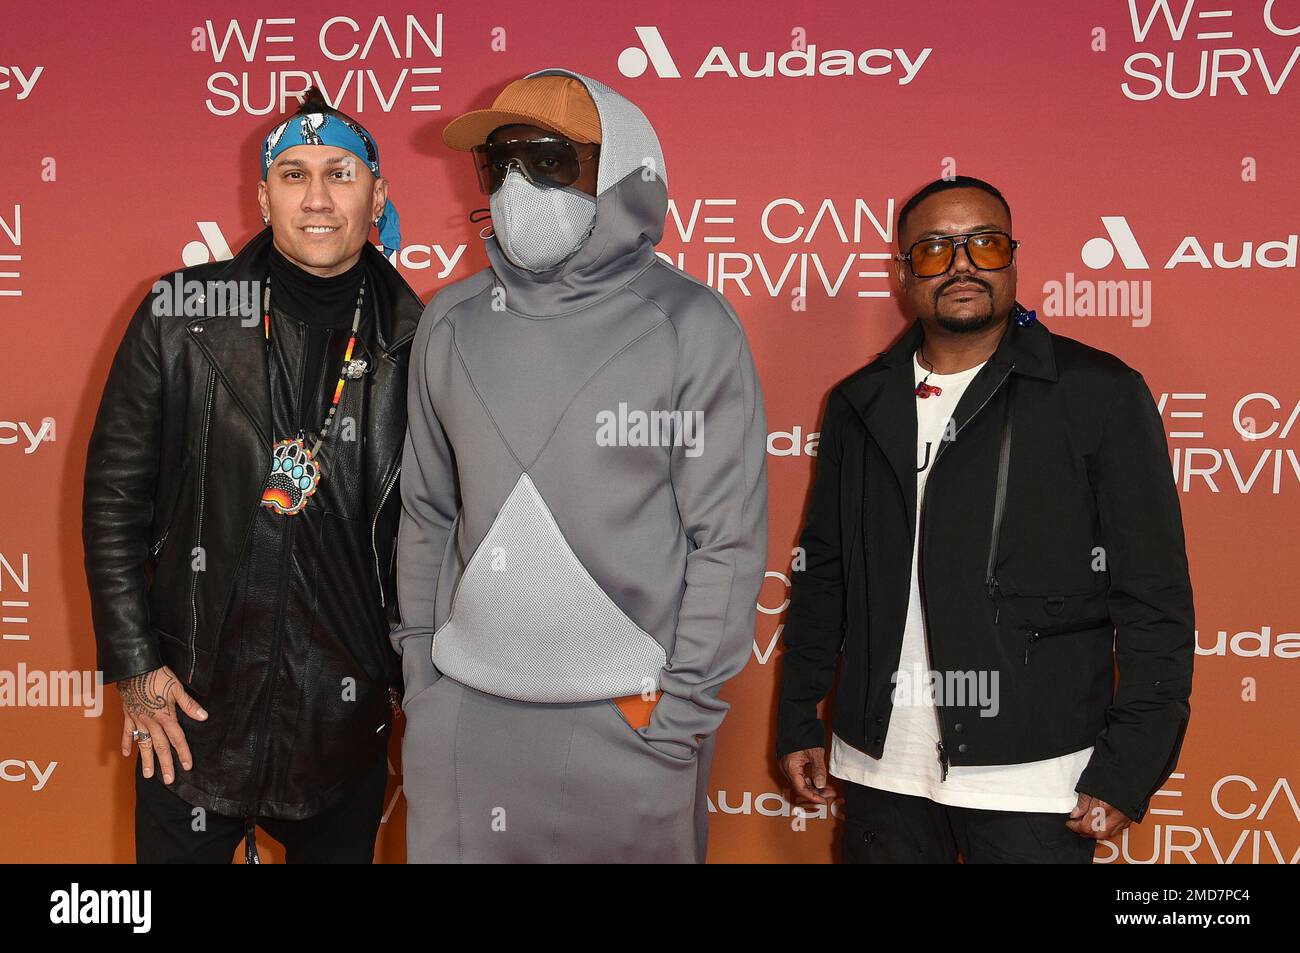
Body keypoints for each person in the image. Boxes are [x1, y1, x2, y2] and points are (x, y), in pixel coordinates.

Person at [394, 69, 768, 863]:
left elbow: (726, 540)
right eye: (501, 162)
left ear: (627, 170)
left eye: (550, 159)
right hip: (466, 724)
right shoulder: (451, 320)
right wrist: (425, 680)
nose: (519, 183)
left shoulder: (692, 326)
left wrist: (678, 717)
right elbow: (426, 510)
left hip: (630, 729)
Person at [776, 175, 1195, 863]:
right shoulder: (859, 401)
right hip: (880, 766)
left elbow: (1155, 595)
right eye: (937, 248)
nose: (964, 263)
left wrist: (1132, 760)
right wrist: (799, 716)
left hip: (1033, 775)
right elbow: (825, 575)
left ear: (1014, 260)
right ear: (904, 273)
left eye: (986, 243)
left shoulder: (1098, 392)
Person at [83, 87, 423, 863]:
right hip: (191, 711)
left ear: (377, 196)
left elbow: (439, 532)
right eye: (293, 173)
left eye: (340, 173)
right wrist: (137, 667)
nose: (317, 197)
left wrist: (402, 682)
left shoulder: (423, 342)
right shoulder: (181, 315)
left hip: (340, 723)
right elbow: (113, 500)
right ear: (262, 193)